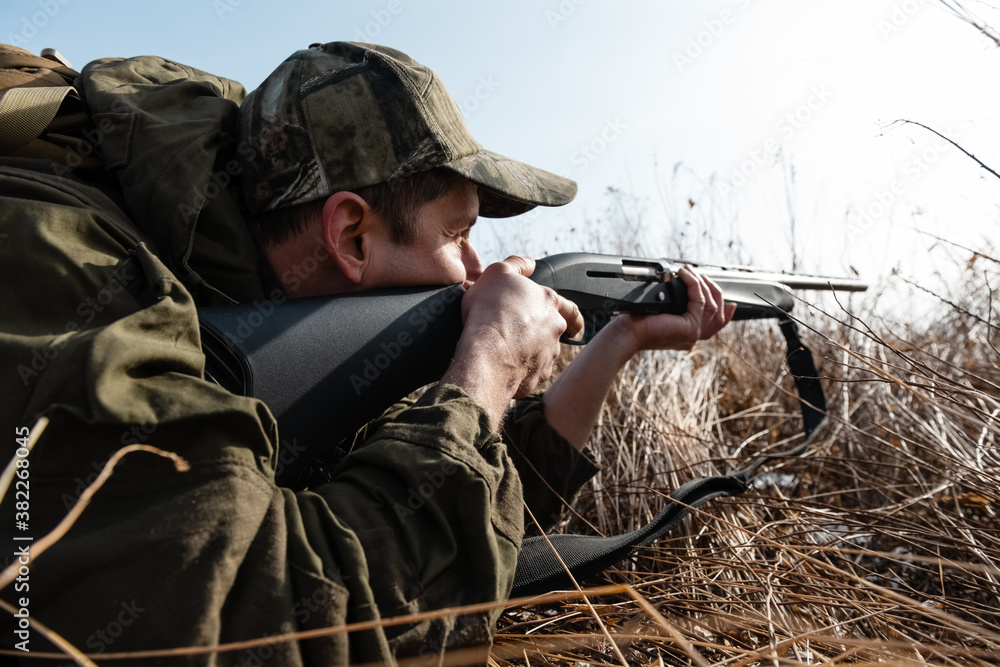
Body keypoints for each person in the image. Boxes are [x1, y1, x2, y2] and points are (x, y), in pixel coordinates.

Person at [0, 42, 732, 665]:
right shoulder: (65, 271)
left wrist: (619, 339)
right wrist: (489, 366)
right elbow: (256, 619)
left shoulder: (258, 295)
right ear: (351, 235)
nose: (476, 268)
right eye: (457, 234)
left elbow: (479, 517)